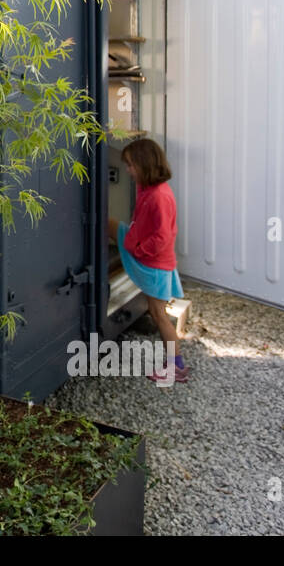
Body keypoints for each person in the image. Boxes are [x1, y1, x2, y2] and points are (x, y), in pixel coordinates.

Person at [106, 138, 187, 385]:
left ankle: (176, 367)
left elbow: (163, 236)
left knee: (160, 316)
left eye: (131, 165)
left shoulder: (159, 196)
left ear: (144, 164)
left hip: (154, 263)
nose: (128, 170)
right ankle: (175, 365)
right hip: (146, 252)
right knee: (156, 312)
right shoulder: (149, 188)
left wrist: (140, 249)